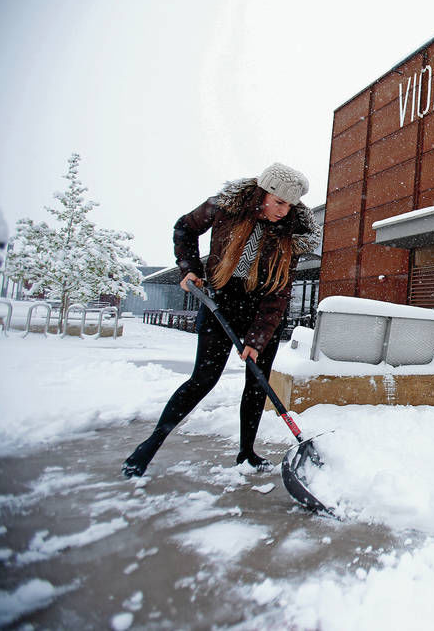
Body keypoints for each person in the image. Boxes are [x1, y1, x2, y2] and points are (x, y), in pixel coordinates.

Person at [122, 163, 320, 478]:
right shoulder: (226, 207)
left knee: (256, 385)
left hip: (262, 309)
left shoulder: (291, 233)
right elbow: (184, 227)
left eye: (290, 205)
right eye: (279, 202)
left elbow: (279, 294)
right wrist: (190, 269)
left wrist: (257, 339)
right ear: (263, 193)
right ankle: (151, 443)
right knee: (203, 379)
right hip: (220, 302)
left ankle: (247, 453)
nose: (284, 211)